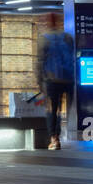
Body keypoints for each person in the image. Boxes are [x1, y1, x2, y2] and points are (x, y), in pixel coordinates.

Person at [38, 14, 74, 150]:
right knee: (61, 109)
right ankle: (62, 133)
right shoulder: (67, 37)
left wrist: (40, 82)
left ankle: (54, 138)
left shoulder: (44, 39)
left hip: (52, 80)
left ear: (48, 22)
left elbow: (40, 63)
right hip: (68, 80)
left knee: (52, 110)